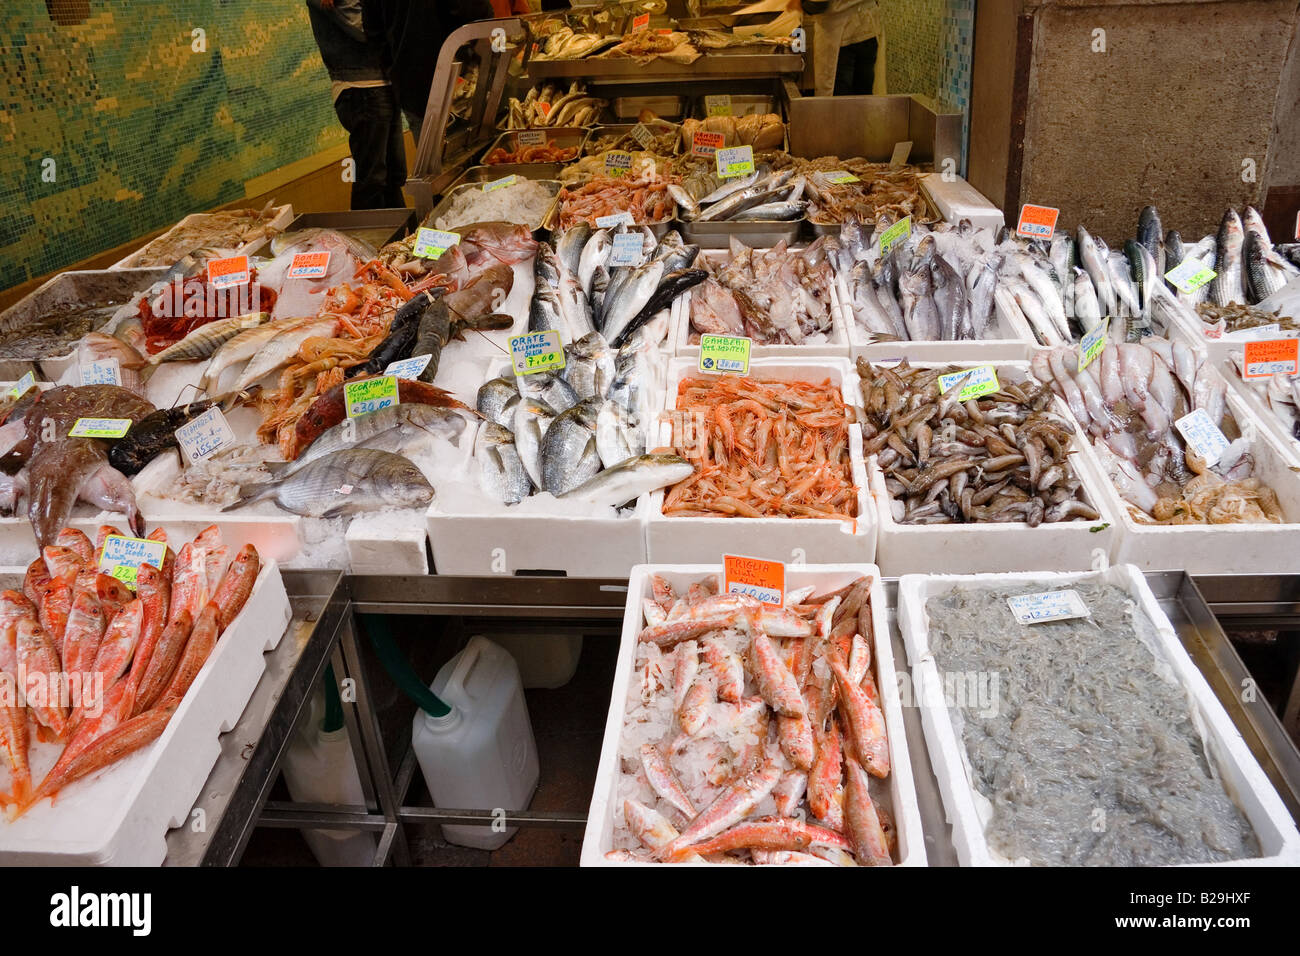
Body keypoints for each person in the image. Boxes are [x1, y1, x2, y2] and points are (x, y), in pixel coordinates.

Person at [306, 0, 407, 209]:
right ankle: (369, 241)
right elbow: (365, 28)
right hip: (362, 88)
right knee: (372, 179)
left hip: (382, 82)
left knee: (393, 176)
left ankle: (401, 239)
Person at [366, 0, 497, 142]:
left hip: (412, 86)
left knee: (431, 157)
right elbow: (475, 11)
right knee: (470, 152)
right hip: (459, 86)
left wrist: (394, 69)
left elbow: (373, 31)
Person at [801, 0, 885, 97]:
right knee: (864, 96)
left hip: (840, 33)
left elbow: (816, 5)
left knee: (840, 99)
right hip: (867, 25)